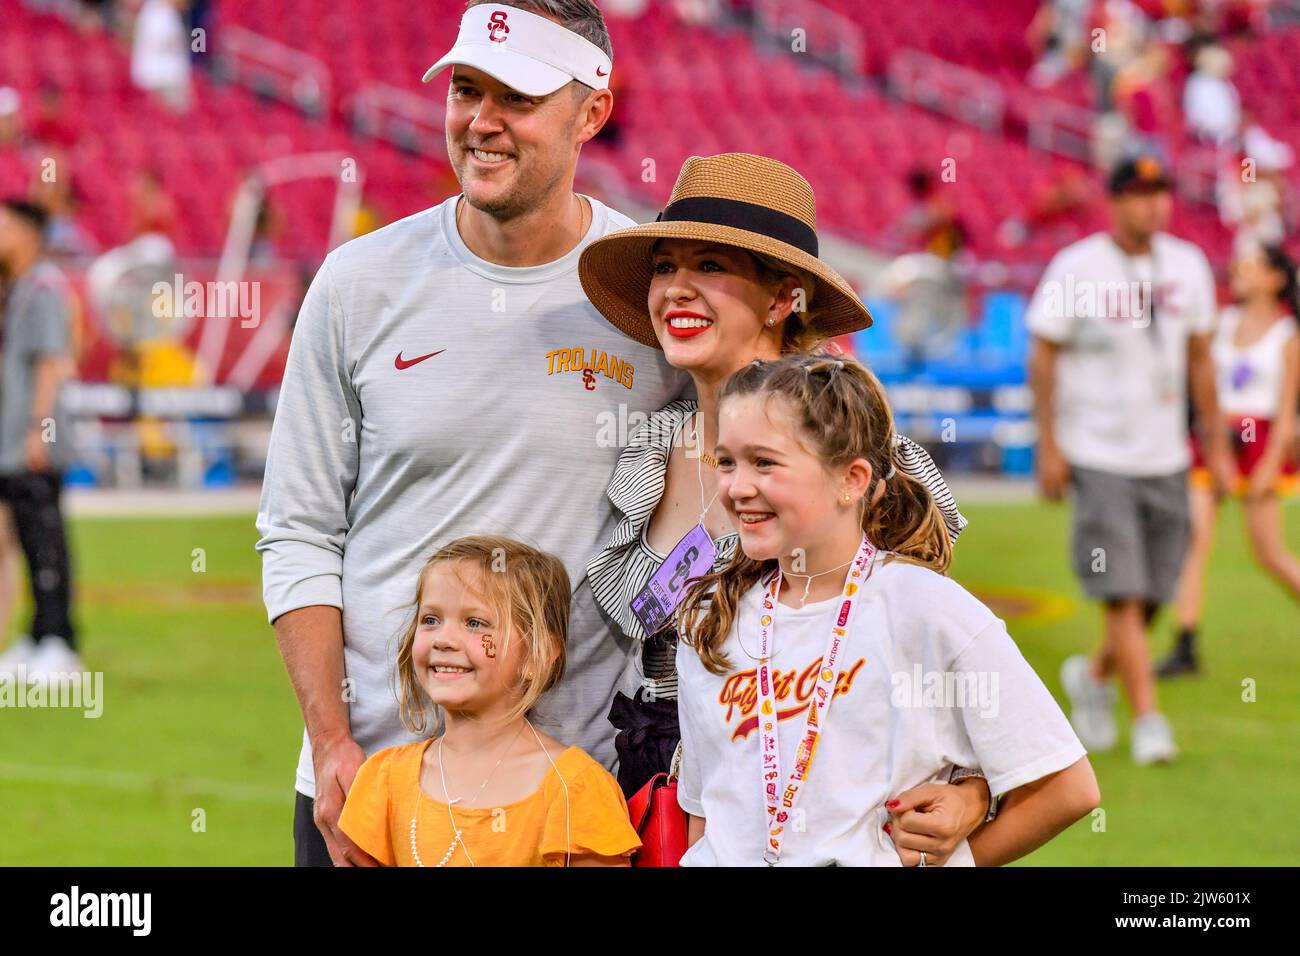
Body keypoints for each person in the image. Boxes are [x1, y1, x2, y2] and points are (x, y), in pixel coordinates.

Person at [256, 0, 689, 867]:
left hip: (570, 808)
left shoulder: (654, 294)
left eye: (517, 98)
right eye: (464, 89)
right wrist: (332, 740)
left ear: (592, 112)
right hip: (367, 788)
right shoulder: (357, 282)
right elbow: (299, 528)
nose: (481, 123)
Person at [580, 152, 994, 864]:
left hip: (819, 783)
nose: (677, 289)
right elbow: (636, 632)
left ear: (782, 300)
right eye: (664, 266)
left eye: (711, 266)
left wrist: (974, 791)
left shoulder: (854, 446)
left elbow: (929, 636)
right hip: (659, 790)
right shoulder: (649, 443)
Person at [672, 354, 1100, 866]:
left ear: (852, 479)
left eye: (764, 462)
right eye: (726, 461)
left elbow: (1068, 788)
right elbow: (705, 815)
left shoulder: (926, 608)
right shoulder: (708, 617)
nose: (738, 486)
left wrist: (961, 860)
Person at [1028, 153, 1233, 766]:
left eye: (1161, 191)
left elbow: (1201, 360)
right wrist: (1050, 443)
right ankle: (1148, 719)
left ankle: (1093, 676)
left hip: (1166, 452)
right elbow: (1044, 356)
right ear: (1114, 200)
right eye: (1140, 193)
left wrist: (1217, 447)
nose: (1155, 203)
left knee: (1156, 590)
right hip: (1098, 451)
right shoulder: (1078, 266)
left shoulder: (1189, 265)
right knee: (1121, 587)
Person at [338, 536, 641, 866]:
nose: (443, 639)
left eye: (474, 623)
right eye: (430, 620)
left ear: (536, 656)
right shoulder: (383, 780)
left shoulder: (576, 789)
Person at [1161, 244, 1300, 676]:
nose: (1241, 271)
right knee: (1194, 540)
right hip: (1216, 437)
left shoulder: (1288, 334)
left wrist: (1269, 464)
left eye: (1254, 266)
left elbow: (1287, 408)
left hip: (1258, 441)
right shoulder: (1223, 323)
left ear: (1276, 278)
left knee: (1269, 552)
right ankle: (1185, 643)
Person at [0, 199, 80, 681]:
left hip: (33, 438)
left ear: (29, 232)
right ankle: (34, 634)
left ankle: (59, 638)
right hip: (12, 441)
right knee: (26, 538)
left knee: (46, 536)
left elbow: (51, 362)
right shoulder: (17, 288)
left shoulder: (43, 287)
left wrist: (38, 430)